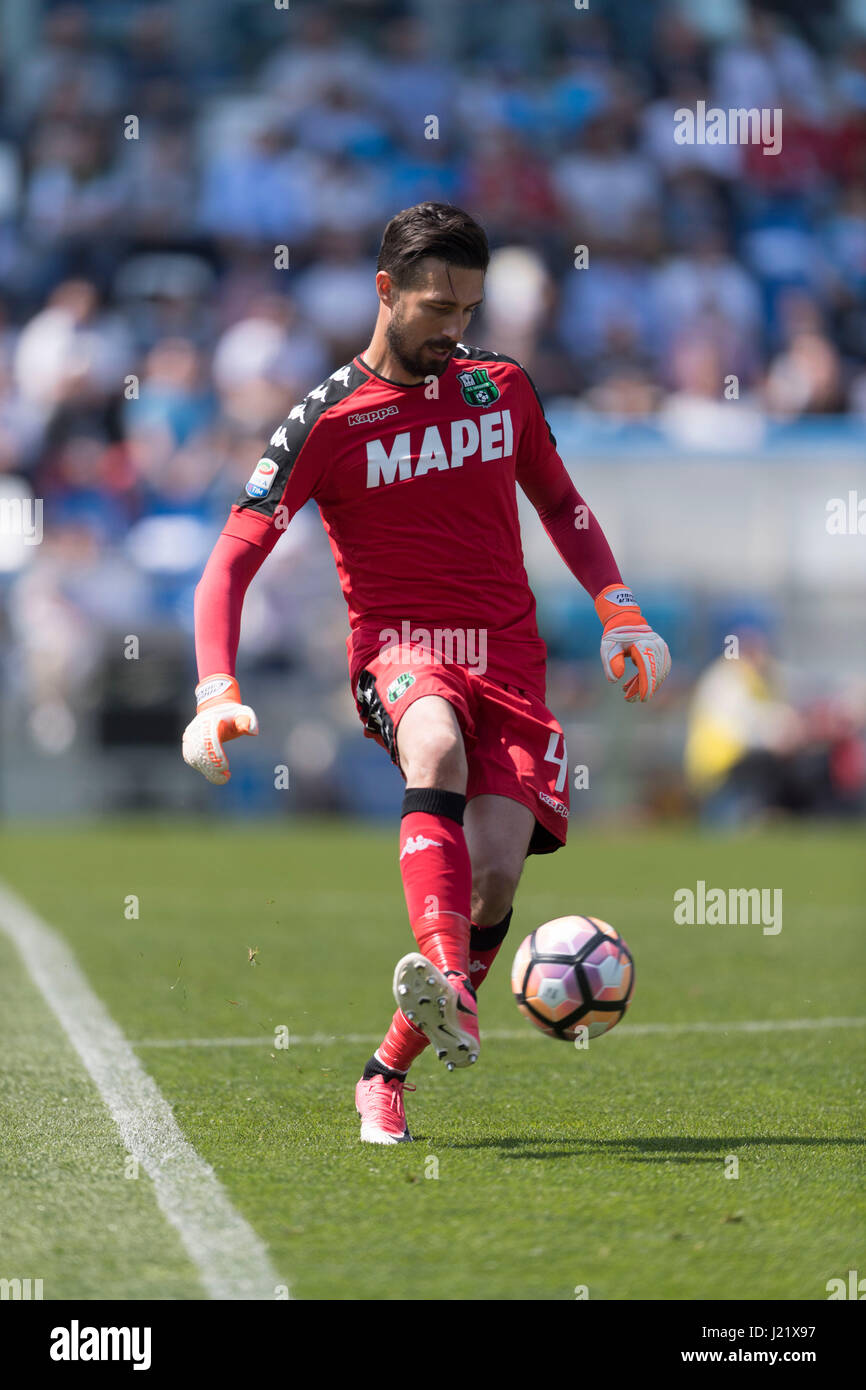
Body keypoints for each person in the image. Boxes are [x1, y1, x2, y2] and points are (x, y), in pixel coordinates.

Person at [182, 202, 671, 1143]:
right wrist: (215, 690)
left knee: (492, 882)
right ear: (385, 291)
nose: (455, 328)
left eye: (468, 309)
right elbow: (230, 561)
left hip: (513, 663)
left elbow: (563, 507)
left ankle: (385, 1072)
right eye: (437, 307)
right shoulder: (325, 419)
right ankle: (449, 977)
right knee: (433, 743)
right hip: (401, 651)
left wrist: (618, 606)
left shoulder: (503, 389)